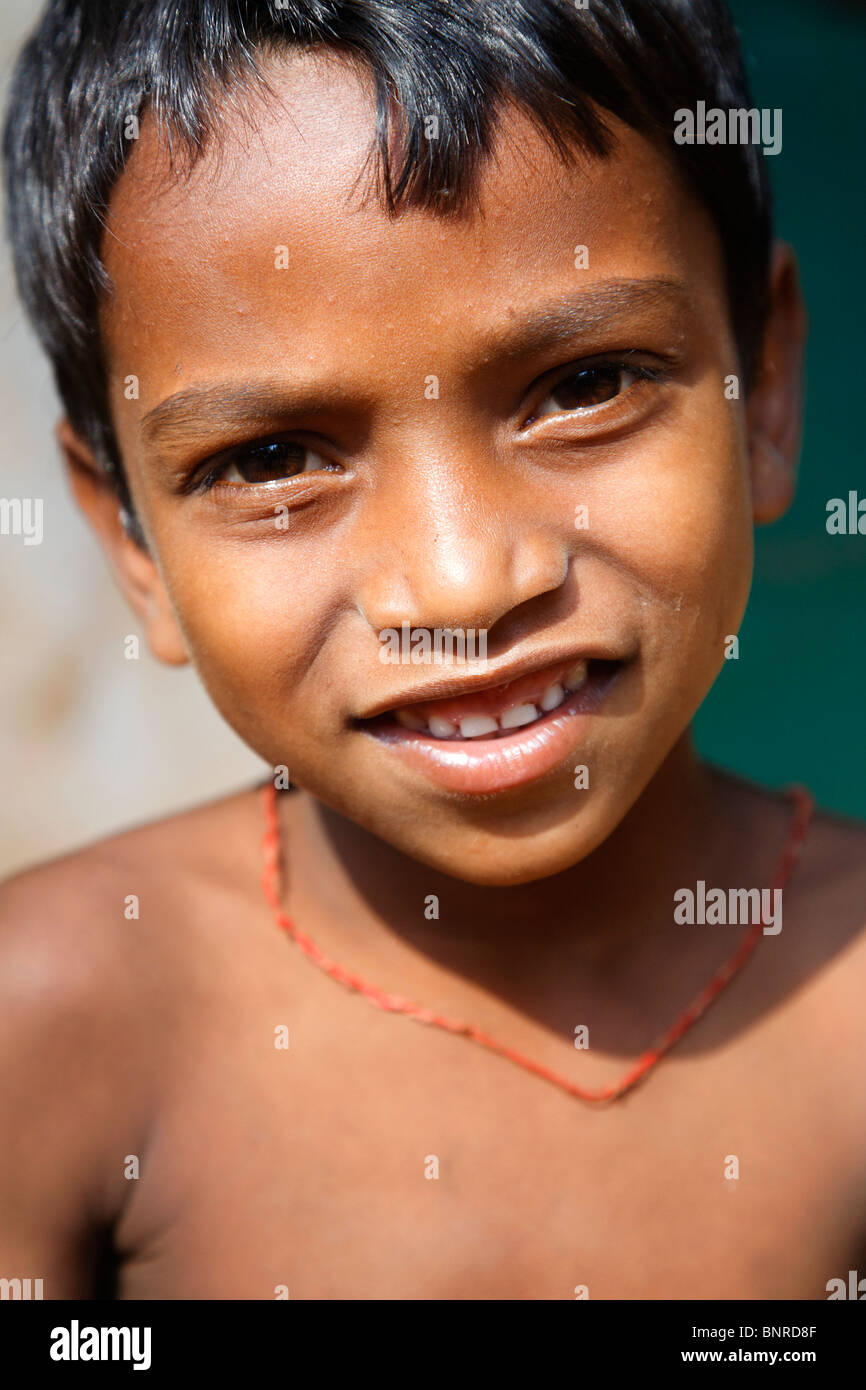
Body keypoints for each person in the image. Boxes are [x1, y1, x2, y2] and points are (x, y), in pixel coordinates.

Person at [1, 0, 864, 1300]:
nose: (464, 579)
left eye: (584, 385)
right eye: (274, 459)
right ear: (131, 540)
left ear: (765, 387)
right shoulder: (57, 1015)